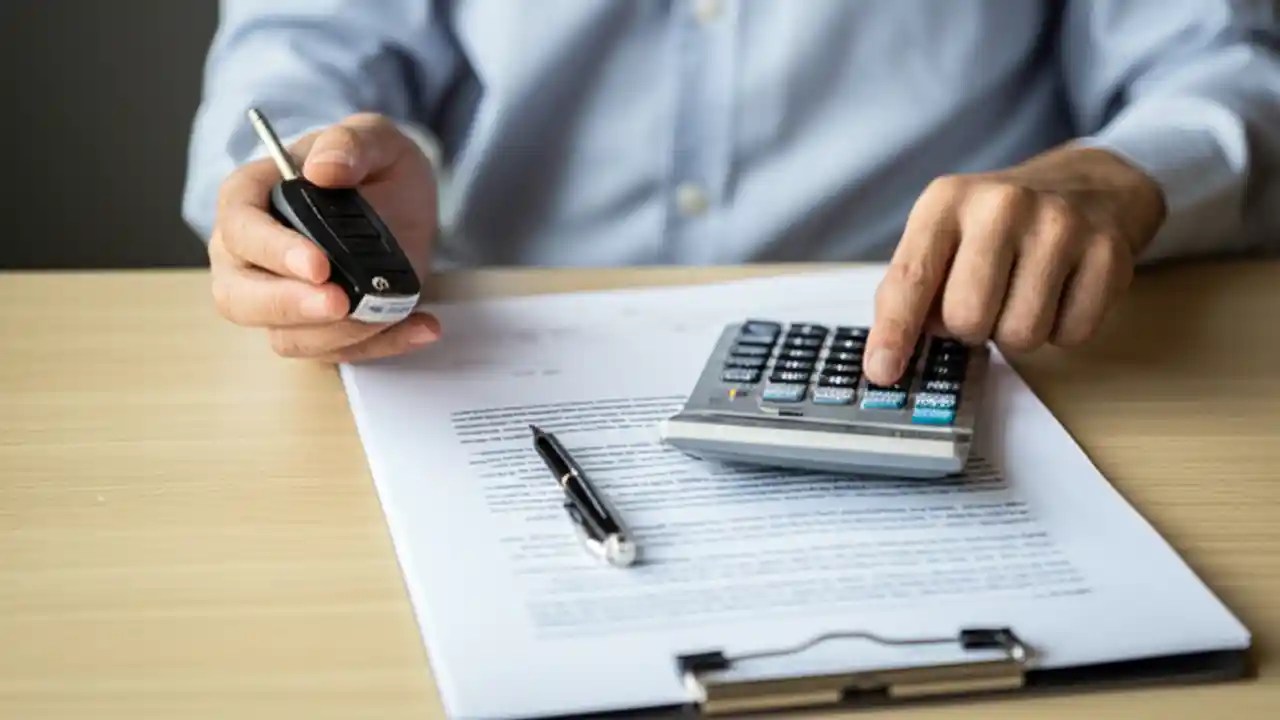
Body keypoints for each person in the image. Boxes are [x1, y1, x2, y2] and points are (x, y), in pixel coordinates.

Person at [182, 1, 1279, 385]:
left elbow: (1221, 65)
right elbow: (296, 53)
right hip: (485, 339)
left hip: (963, 343)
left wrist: (1114, 178)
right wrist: (306, 191)